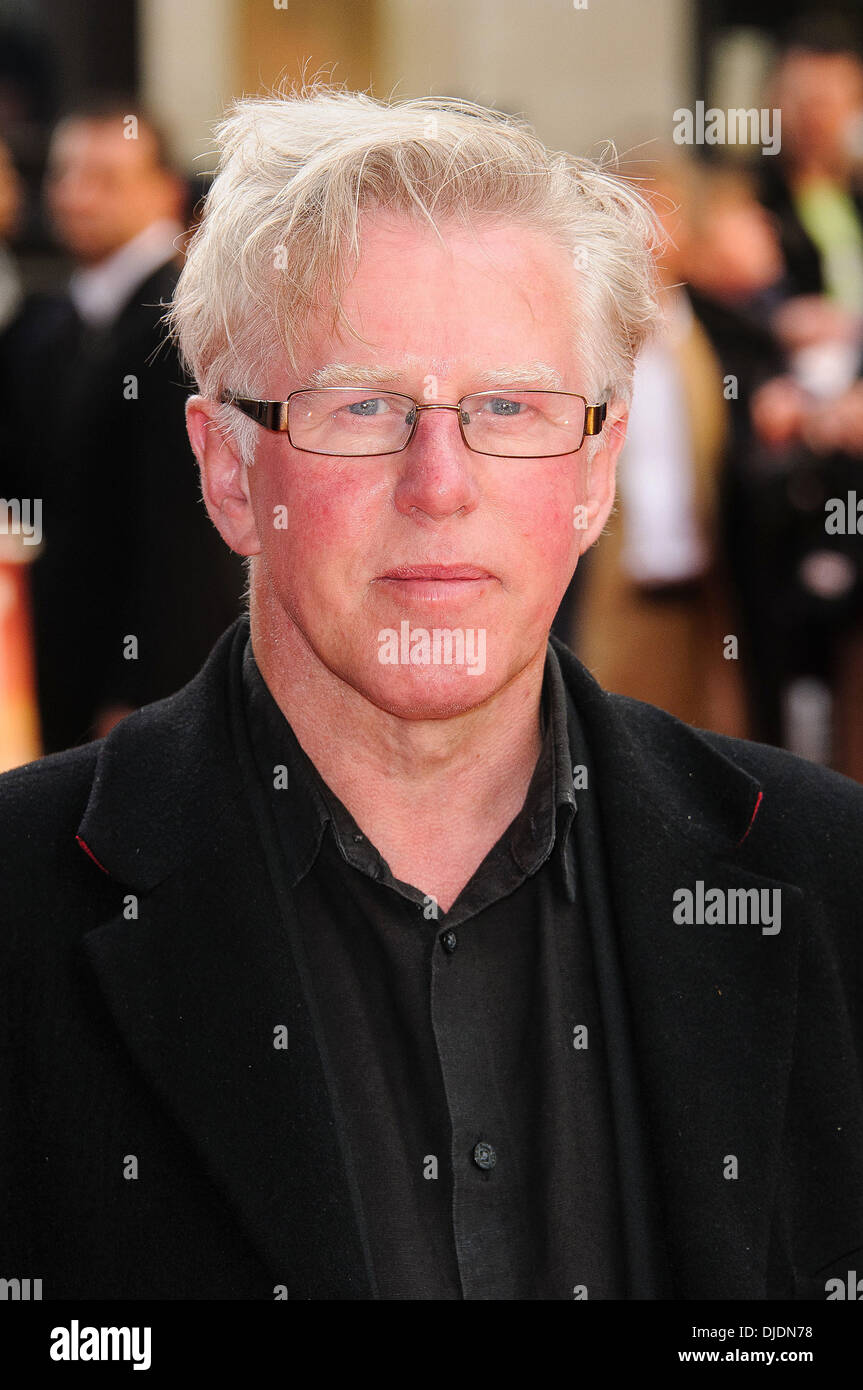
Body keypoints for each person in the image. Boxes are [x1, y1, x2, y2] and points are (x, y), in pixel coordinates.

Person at [1, 87, 862, 1302]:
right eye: (362, 408)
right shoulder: (22, 910)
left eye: (508, 407)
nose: (439, 482)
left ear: (595, 473)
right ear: (228, 470)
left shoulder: (827, 885)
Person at [0, 102, 244, 754]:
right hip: (58, 668)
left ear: (162, 189)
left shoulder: (181, 324)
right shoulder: (47, 324)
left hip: (142, 686)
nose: (76, 196)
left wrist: (141, 693)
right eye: (64, 175)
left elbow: (185, 535)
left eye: (104, 177)